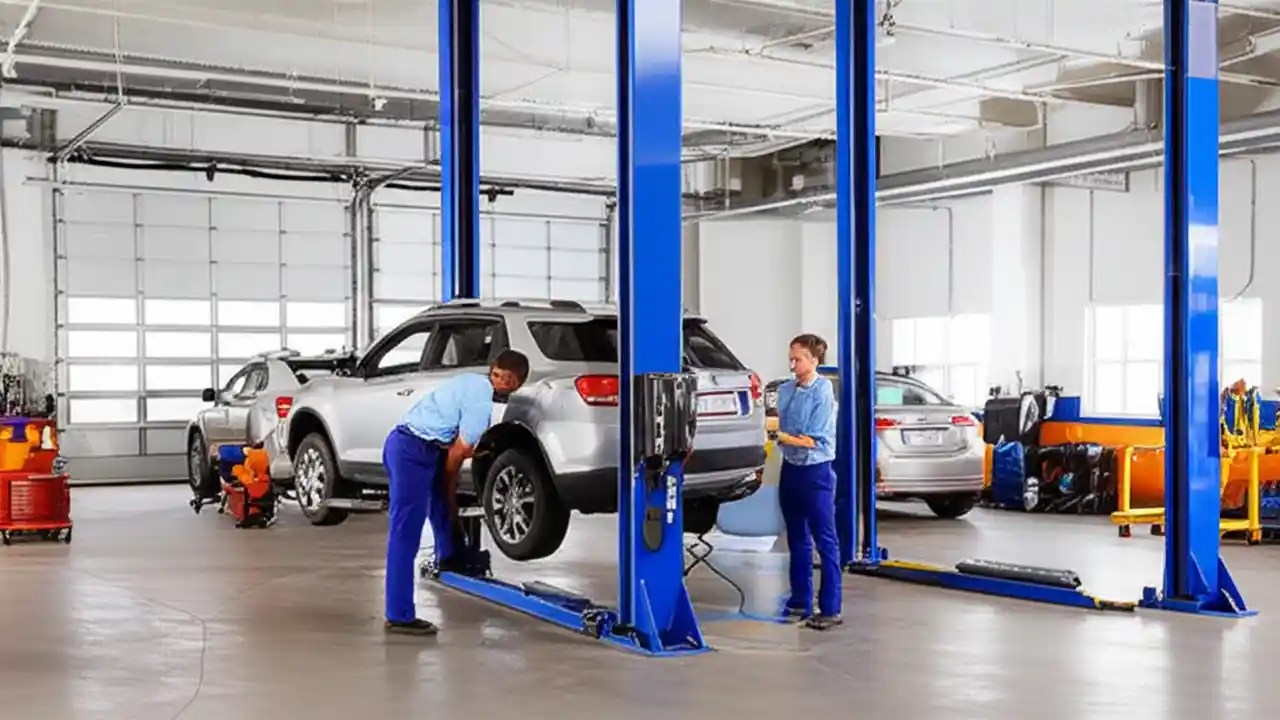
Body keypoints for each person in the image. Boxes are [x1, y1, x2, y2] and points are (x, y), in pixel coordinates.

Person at [382, 349, 530, 636]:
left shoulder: (473, 382)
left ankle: (451, 555)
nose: (502, 382)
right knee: (406, 530)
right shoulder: (481, 399)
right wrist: (449, 484)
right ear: (512, 381)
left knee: (438, 505)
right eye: (502, 377)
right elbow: (459, 452)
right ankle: (399, 614)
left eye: (505, 378)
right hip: (412, 450)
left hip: (416, 445)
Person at [771, 333, 841, 630]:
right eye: (790, 358)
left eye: (797, 359)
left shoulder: (823, 392)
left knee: (825, 541)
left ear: (813, 361)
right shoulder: (786, 390)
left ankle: (830, 608)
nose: (792, 364)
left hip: (816, 472)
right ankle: (800, 599)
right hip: (791, 470)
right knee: (797, 538)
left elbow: (815, 440)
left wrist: (780, 436)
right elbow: (778, 421)